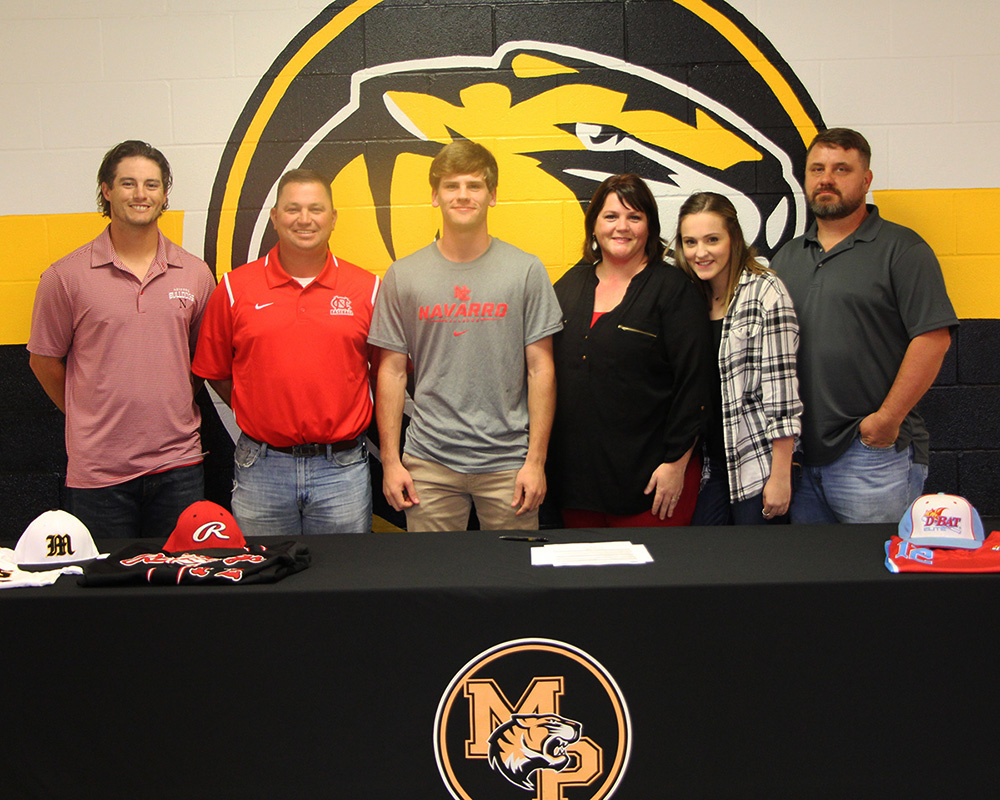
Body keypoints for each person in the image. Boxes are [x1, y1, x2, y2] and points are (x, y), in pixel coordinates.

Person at [369, 140, 563, 532]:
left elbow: (541, 370)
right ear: (434, 196)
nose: (463, 195)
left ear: (492, 196)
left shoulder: (525, 271)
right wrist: (391, 462)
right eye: (451, 185)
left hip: (508, 462)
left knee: (515, 581)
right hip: (429, 462)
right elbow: (390, 373)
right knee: (433, 585)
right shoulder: (403, 275)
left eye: (474, 185)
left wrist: (536, 462)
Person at [27, 140, 216, 539]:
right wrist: (84, 414)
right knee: (108, 593)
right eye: (128, 183)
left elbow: (203, 358)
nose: (140, 194)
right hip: (99, 473)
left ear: (165, 194)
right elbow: (43, 361)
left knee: (179, 588)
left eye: (151, 184)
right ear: (107, 190)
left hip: (178, 467)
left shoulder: (195, 274)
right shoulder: (66, 277)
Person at [770, 128, 958, 524]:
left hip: (870, 455)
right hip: (801, 458)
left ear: (867, 180)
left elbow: (933, 339)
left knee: (877, 578)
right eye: (817, 169)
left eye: (842, 169)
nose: (826, 179)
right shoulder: (787, 257)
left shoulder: (902, 249)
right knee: (815, 579)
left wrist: (885, 423)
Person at [192, 169, 379, 535]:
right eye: (293, 209)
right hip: (262, 467)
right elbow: (215, 372)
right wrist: (261, 409)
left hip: (341, 470)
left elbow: (387, 372)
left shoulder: (367, 289)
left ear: (333, 218)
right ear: (275, 218)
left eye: (316, 209)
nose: (305, 219)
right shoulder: (234, 288)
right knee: (264, 582)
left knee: (345, 581)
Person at [548, 174, 713, 527]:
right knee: (585, 581)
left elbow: (695, 385)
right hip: (576, 485)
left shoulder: (674, 291)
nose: (622, 227)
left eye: (634, 217)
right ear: (593, 225)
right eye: (610, 217)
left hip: (653, 483)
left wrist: (676, 465)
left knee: (646, 580)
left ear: (649, 227)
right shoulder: (567, 287)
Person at [674, 192, 802, 525]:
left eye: (712, 239)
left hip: (757, 467)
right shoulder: (692, 296)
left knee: (757, 569)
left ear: (734, 238)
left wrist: (780, 476)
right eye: (690, 242)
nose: (700, 252)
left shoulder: (764, 292)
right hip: (713, 466)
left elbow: (782, 395)